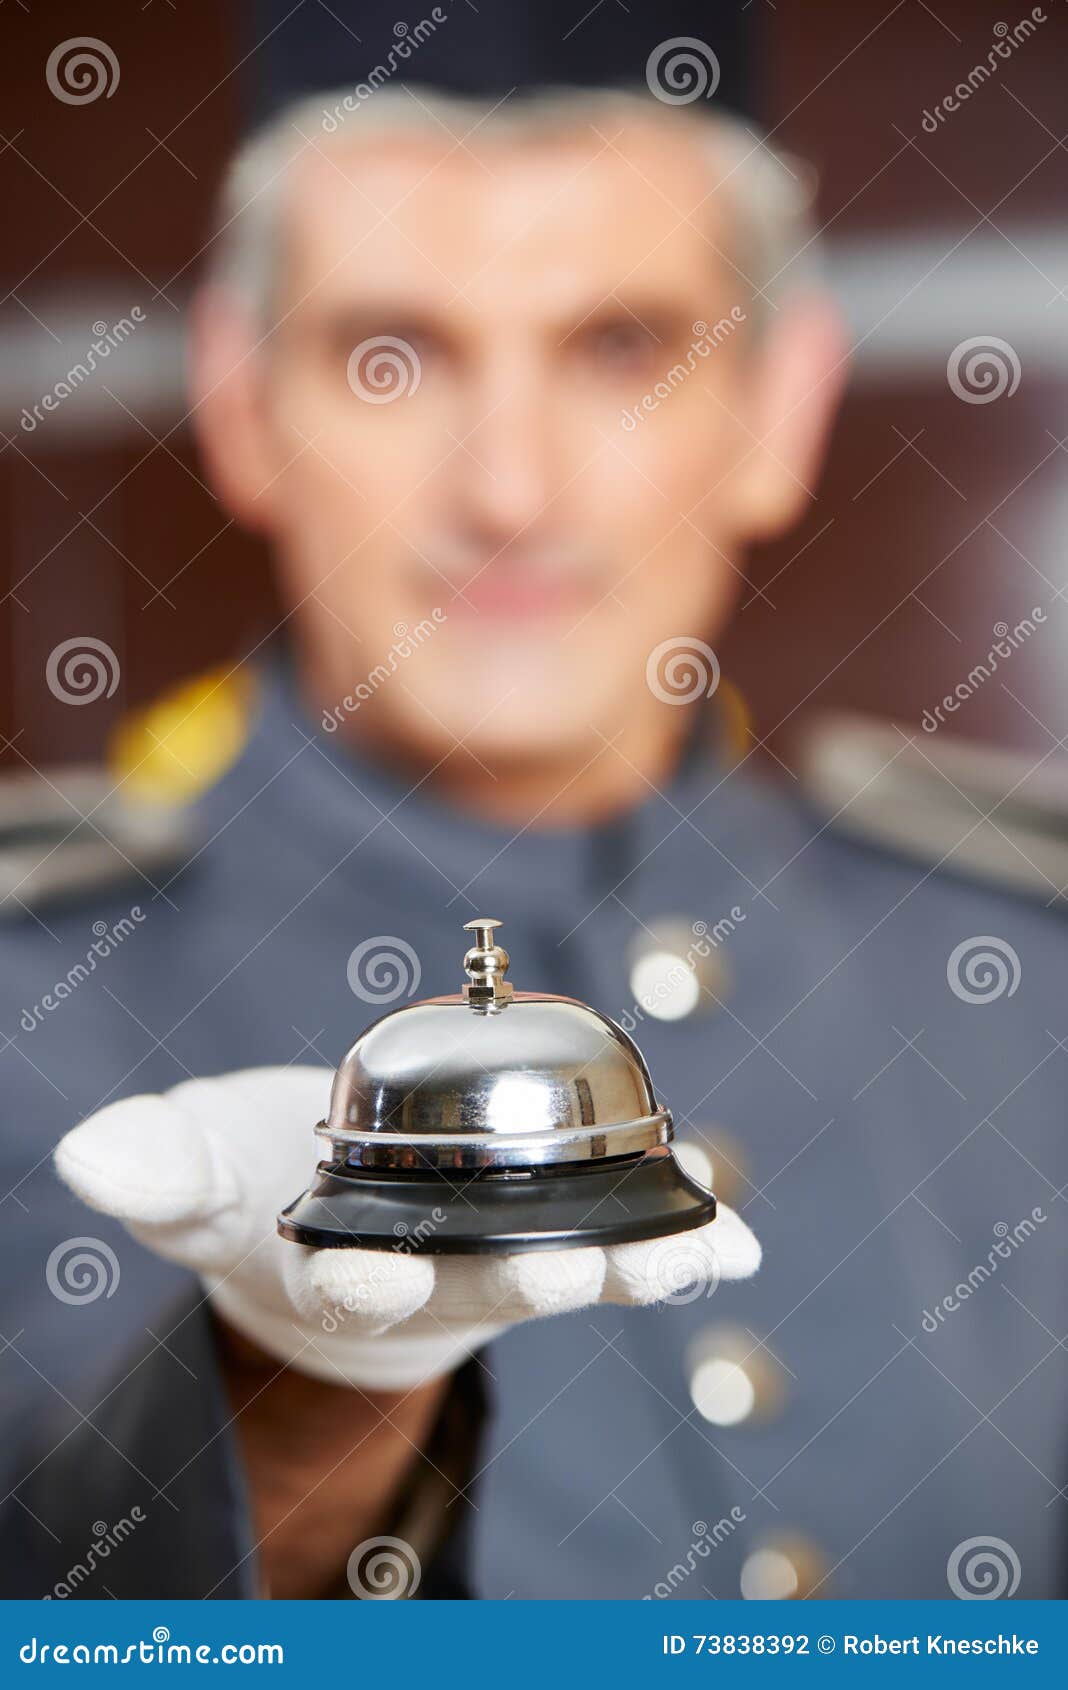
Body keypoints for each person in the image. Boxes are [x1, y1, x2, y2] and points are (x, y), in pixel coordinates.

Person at [1, 86, 1064, 1602]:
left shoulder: (1025, 966)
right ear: (243, 407)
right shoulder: (30, 996)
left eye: (620, 348)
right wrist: (300, 1382)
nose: (508, 490)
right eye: (393, 356)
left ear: (778, 408)